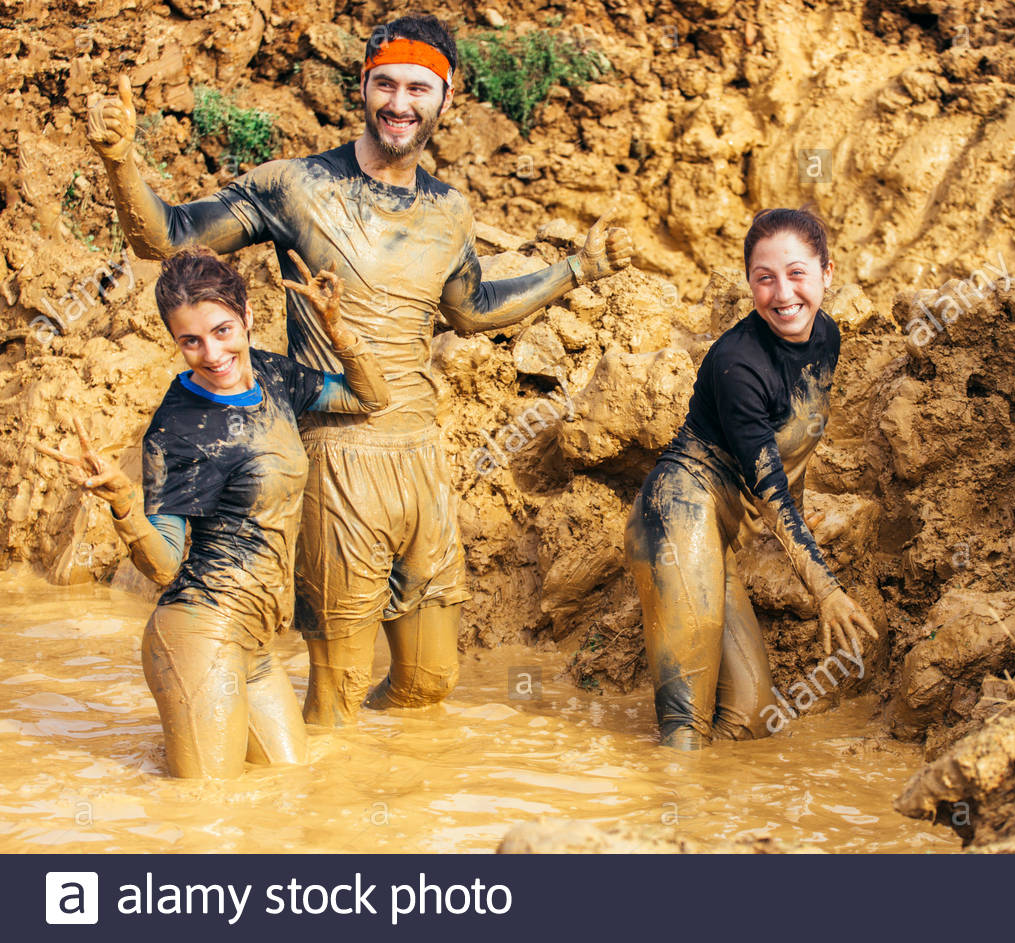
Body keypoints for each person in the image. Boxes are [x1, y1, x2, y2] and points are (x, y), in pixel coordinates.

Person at [84, 13, 633, 725]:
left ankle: (375, 798)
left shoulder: (449, 209)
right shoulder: (295, 186)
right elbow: (168, 236)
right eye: (384, 85)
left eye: (417, 87)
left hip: (422, 460)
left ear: (447, 94)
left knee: (431, 679)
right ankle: (315, 806)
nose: (399, 103)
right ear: (363, 87)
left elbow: (470, 309)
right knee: (337, 690)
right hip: (338, 456)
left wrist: (576, 269)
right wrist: (120, 158)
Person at [37, 247, 391, 777]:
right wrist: (122, 503)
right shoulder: (178, 429)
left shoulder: (273, 376)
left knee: (292, 786)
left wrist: (338, 329)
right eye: (191, 341)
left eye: (223, 330)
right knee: (207, 812)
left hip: (256, 641)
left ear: (247, 318)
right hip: (199, 634)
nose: (212, 353)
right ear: (175, 342)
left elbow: (372, 397)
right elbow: (164, 567)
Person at [625, 208, 878, 751]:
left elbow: (800, 441)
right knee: (686, 727)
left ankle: (717, 823)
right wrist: (824, 588)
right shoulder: (737, 364)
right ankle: (667, 826)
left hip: (718, 539)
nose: (782, 293)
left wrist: (802, 529)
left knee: (752, 717)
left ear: (827, 272)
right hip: (677, 515)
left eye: (797, 273)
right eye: (764, 278)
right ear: (750, 284)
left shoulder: (826, 336)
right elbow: (770, 491)